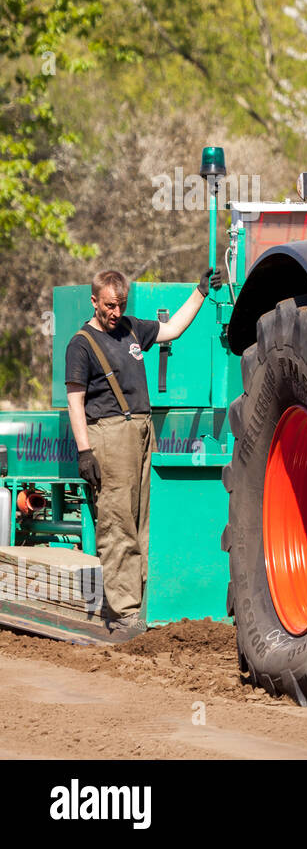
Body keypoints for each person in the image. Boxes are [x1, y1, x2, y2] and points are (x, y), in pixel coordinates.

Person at [65, 267, 222, 631]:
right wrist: (84, 451)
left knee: (141, 521)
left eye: (120, 305)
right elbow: (75, 402)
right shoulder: (81, 344)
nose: (115, 313)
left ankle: (142, 604)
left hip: (141, 432)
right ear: (94, 301)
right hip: (108, 434)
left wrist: (199, 292)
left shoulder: (132, 327)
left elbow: (173, 330)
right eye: (108, 306)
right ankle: (123, 613)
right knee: (117, 523)